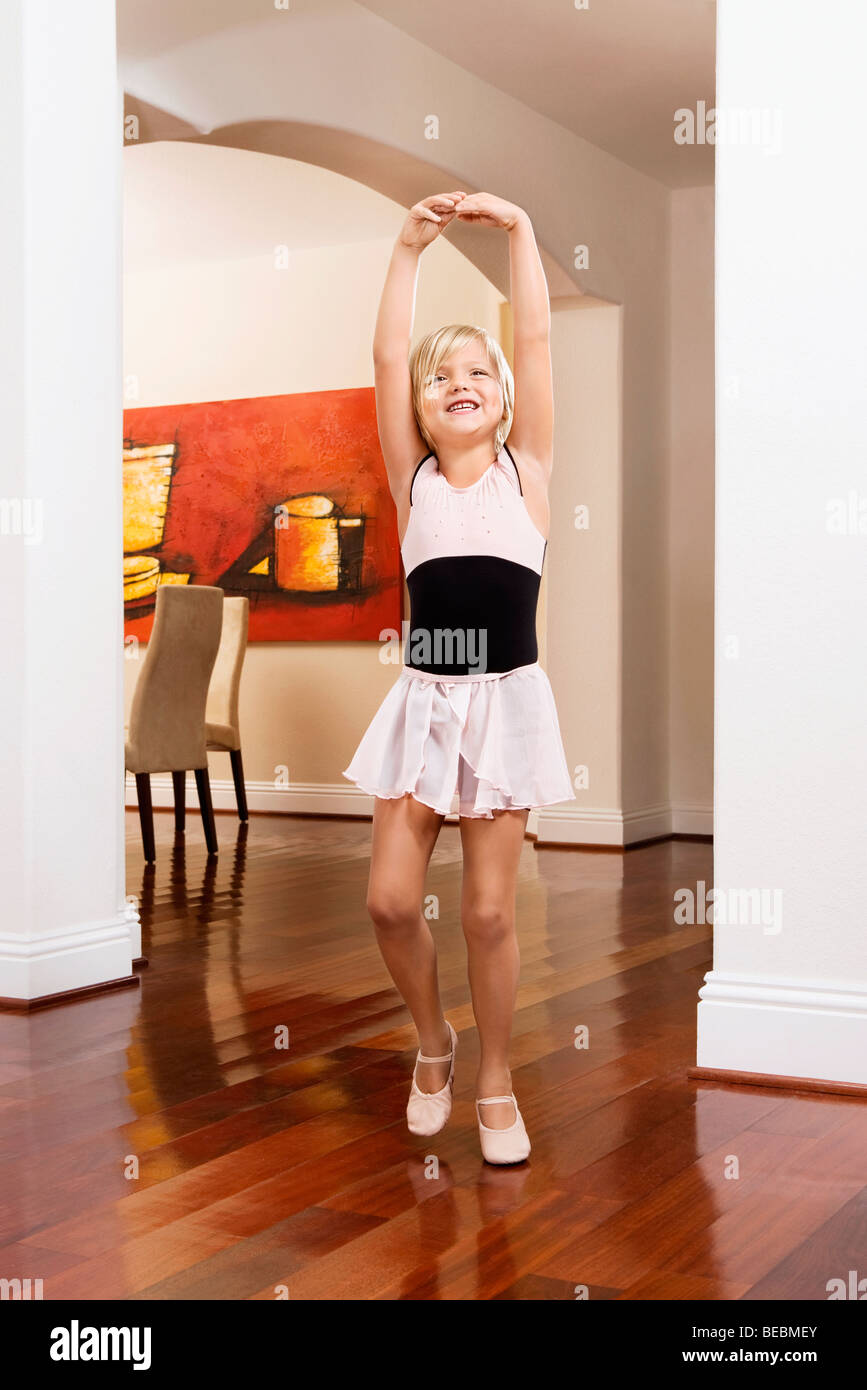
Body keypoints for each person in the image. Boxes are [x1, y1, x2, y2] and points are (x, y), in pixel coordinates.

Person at [343, 191, 574, 1163]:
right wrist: (407, 247)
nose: (459, 380)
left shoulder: (529, 471)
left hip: (507, 705)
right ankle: (432, 1042)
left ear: (504, 399)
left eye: (478, 371)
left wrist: (522, 230)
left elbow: (538, 341)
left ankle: (494, 1080)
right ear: (424, 410)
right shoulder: (414, 483)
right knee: (391, 901)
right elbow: (388, 357)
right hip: (427, 701)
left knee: (487, 911)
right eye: (444, 377)